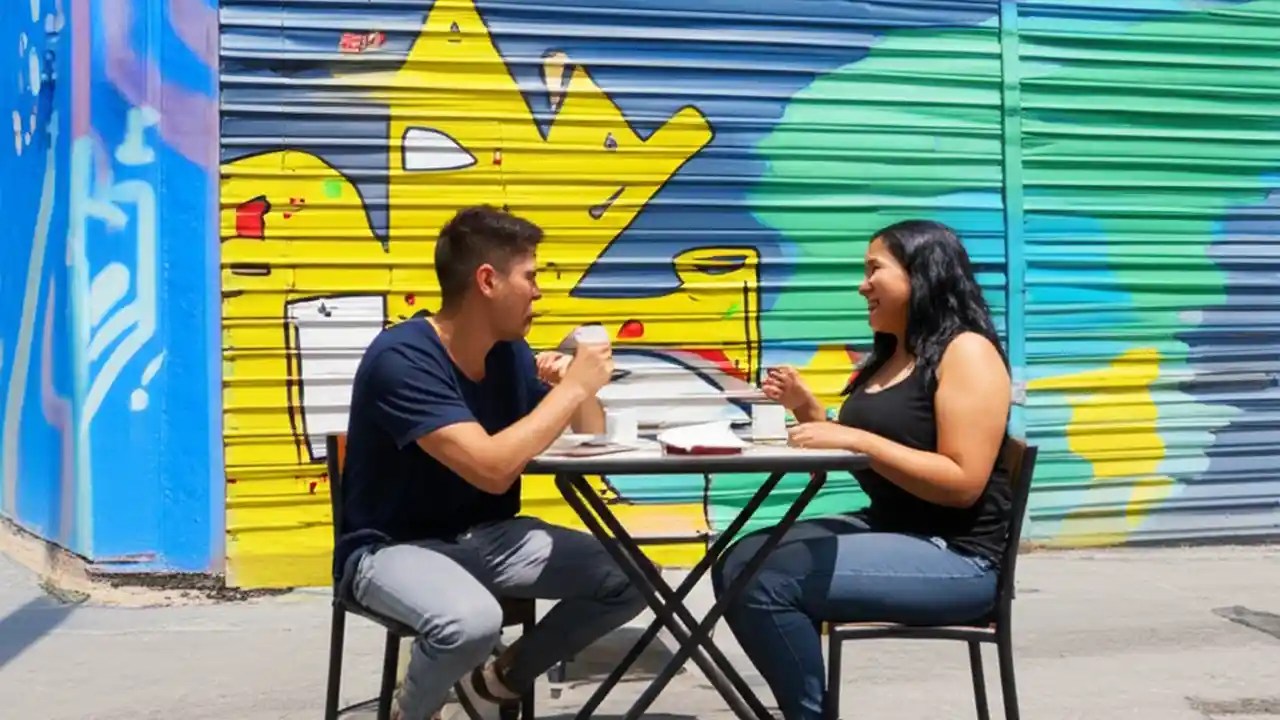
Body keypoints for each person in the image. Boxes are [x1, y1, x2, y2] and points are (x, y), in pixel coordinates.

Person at [334, 205, 646, 720]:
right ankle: (410, 713)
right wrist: (571, 388)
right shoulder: (402, 359)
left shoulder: (509, 353)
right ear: (487, 280)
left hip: (488, 536)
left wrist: (575, 386)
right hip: (391, 549)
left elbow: (590, 433)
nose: (539, 291)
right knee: (471, 622)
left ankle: (498, 680)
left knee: (634, 577)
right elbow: (492, 467)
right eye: (531, 276)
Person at [712, 220, 1014, 720]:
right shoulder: (896, 353)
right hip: (897, 528)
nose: (862, 284)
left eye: (875, 269)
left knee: (765, 579)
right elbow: (884, 458)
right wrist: (812, 415)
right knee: (738, 559)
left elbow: (963, 483)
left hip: (959, 559)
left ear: (922, 274)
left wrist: (855, 437)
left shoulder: (967, 353)